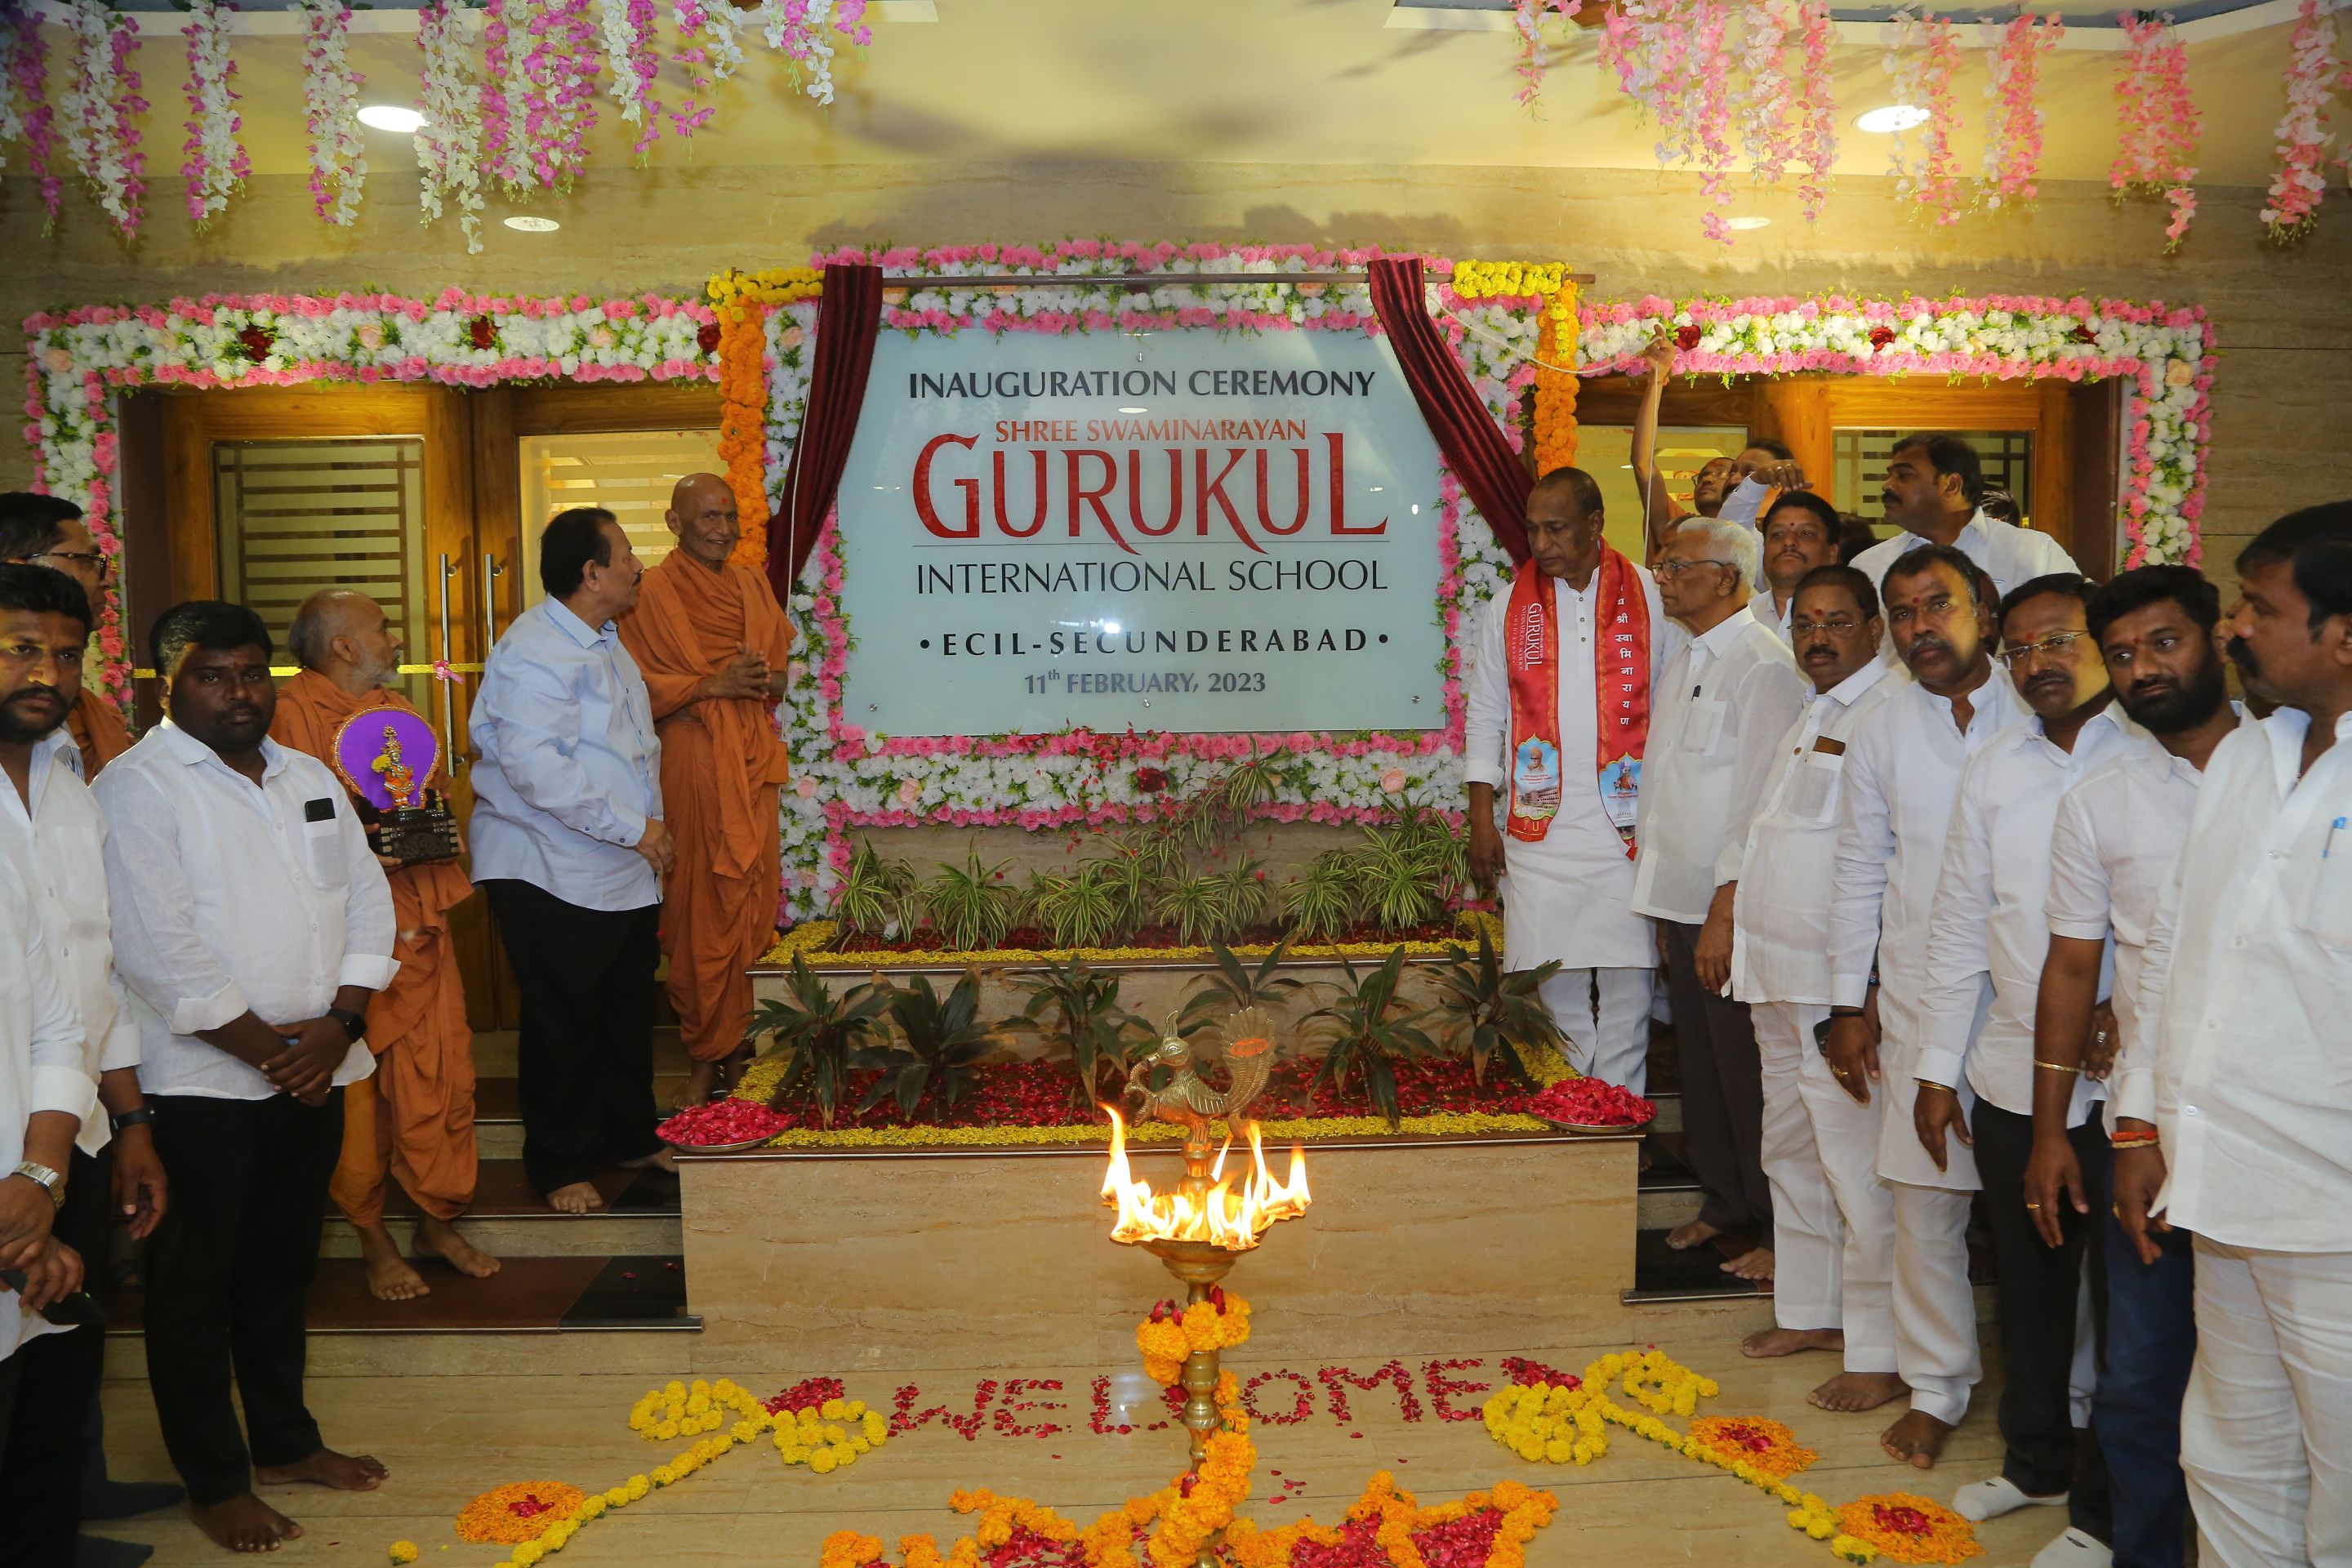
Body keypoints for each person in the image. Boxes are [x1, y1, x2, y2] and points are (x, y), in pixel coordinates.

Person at [96, 601, 394, 1554]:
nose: (238, 693)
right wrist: (282, 1055)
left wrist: (339, 1025)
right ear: (166, 685)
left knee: (281, 1271)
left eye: (252, 673)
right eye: (212, 676)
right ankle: (215, 1481)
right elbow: (159, 953)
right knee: (195, 1287)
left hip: (312, 1068)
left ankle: (284, 1443)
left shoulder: (307, 774)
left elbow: (369, 904)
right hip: (201, 1085)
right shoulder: (136, 789)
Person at [2132, 503, 2352, 1567]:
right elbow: (2173, 955)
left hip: (2336, 1217)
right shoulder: (2244, 761)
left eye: (2263, 610)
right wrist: (2141, 1126)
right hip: (2219, 1192)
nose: (2238, 630)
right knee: (2231, 1463)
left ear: (2344, 633)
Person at [1913, 575, 2130, 1566]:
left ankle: (2105, 1511)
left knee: (2130, 1309)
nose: (2038, 662)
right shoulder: (1996, 767)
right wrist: (1933, 1067)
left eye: (2059, 640)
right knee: (2030, 1288)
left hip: (2125, 1086)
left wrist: (2123, 1008)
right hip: (2008, 1071)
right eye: (2020, 648)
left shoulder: (2160, 760)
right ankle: (2035, 1459)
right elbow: (1960, 924)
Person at [2027, 565, 2238, 1568]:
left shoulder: (2298, 769)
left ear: (2218, 640)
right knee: (2139, 1379)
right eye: (2121, 653)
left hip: (2281, 1131)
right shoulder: (2101, 799)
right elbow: (2073, 966)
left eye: (2164, 643)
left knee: (2267, 1391)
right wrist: (2050, 1131)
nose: (2143, 668)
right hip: (2148, 1132)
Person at [1827, 544, 2029, 1472]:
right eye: (1902, 612)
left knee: (2041, 1209)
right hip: (1915, 997)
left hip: (2038, 1004)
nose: (1919, 628)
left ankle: (2056, 1396)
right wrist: (1847, 1003)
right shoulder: (1880, 726)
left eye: (1935, 605)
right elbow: (1859, 866)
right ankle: (1941, 1384)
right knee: (1925, 1205)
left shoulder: (2045, 705)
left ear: (1983, 610)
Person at [1713, 564, 1906, 1412]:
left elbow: (1886, 866)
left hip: (1839, 993)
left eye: (1835, 621)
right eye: (1803, 624)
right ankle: (1811, 1310)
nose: (1817, 637)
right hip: (1776, 974)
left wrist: (1860, 994)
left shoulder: (1892, 718)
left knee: (1859, 1170)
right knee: (1789, 1151)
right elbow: (1764, 837)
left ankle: (1880, 1348)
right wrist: (1732, 917)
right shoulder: (1810, 711)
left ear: (1874, 628)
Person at [274, 590, 495, 1303]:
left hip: (417, 916)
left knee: (441, 1068)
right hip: (342, 932)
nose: (395, 641)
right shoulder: (283, 723)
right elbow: (287, 838)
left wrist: (433, 833)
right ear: (342, 646)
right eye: (383, 630)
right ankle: (372, 1235)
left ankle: (435, 1218)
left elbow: (422, 805)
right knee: (357, 1093)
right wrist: (370, 852)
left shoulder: (395, 716)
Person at [470, 507, 675, 1216]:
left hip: (617, 861)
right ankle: (558, 1164)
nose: (638, 566)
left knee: (623, 1011)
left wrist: (643, 832)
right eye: (625, 555)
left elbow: (625, 753)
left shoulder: (607, 639)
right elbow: (537, 770)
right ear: (591, 574)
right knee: (564, 1019)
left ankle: (628, 1134)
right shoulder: (534, 651)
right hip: (547, 863)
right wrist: (633, 828)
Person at [1467, 467, 1685, 1094]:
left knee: (1628, 992)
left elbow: (1674, 703)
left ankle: (1619, 1126)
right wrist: (1483, 819)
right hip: (1542, 836)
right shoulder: (1509, 605)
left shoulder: (1651, 594)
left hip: (1630, 829)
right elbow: (1486, 714)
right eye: (1534, 528)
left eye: (1557, 528)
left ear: (1595, 525)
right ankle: (1576, 1114)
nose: (1542, 543)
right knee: (1555, 988)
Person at [1635, 518, 1806, 1276]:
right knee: (1701, 1066)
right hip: (1676, 897)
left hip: (1722, 906)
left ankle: (1777, 1229)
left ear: (1729, 579)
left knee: (1745, 1069)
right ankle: (1724, 1204)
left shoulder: (1763, 665)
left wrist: (1724, 911)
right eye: (1664, 565)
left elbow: (1756, 804)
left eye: (1677, 567)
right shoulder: (1687, 657)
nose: (1664, 577)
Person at [0, 566, 122, 1563]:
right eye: (22, 648)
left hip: (62, 1125)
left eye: (67, 655)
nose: (47, 672)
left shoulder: (69, 778)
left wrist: (65, 1159)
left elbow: (77, 983)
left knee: (53, 1384)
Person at [617, 474, 795, 1108]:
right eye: (707, 519)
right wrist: (711, 685)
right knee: (699, 909)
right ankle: (703, 1057)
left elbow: (777, 675)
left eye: (729, 516)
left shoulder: (751, 584)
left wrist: (758, 681)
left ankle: (744, 1054)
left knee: (750, 903)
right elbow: (635, 687)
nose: (722, 529)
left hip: (749, 758)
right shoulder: (650, 594)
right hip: (692, 757)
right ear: (673, 523)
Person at [1852, 434, 2078, 600]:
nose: (1887, 485)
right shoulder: (1869, 566)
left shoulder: (2036, 553)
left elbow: (2078, 624)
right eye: (1889, 475)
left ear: (1951, 485)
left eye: (1903, 475)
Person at [0, 492, 130, 778]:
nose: (107, 579)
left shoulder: (75, 715)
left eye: (68, 656)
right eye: (86, 560)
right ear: (19, 570)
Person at [1754, 493, 1844, 637]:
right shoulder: (1741, 621)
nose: (1789, 542)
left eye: (1806, 533)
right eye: (1778, 534)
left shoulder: (1850, 621)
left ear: (1832, 553)